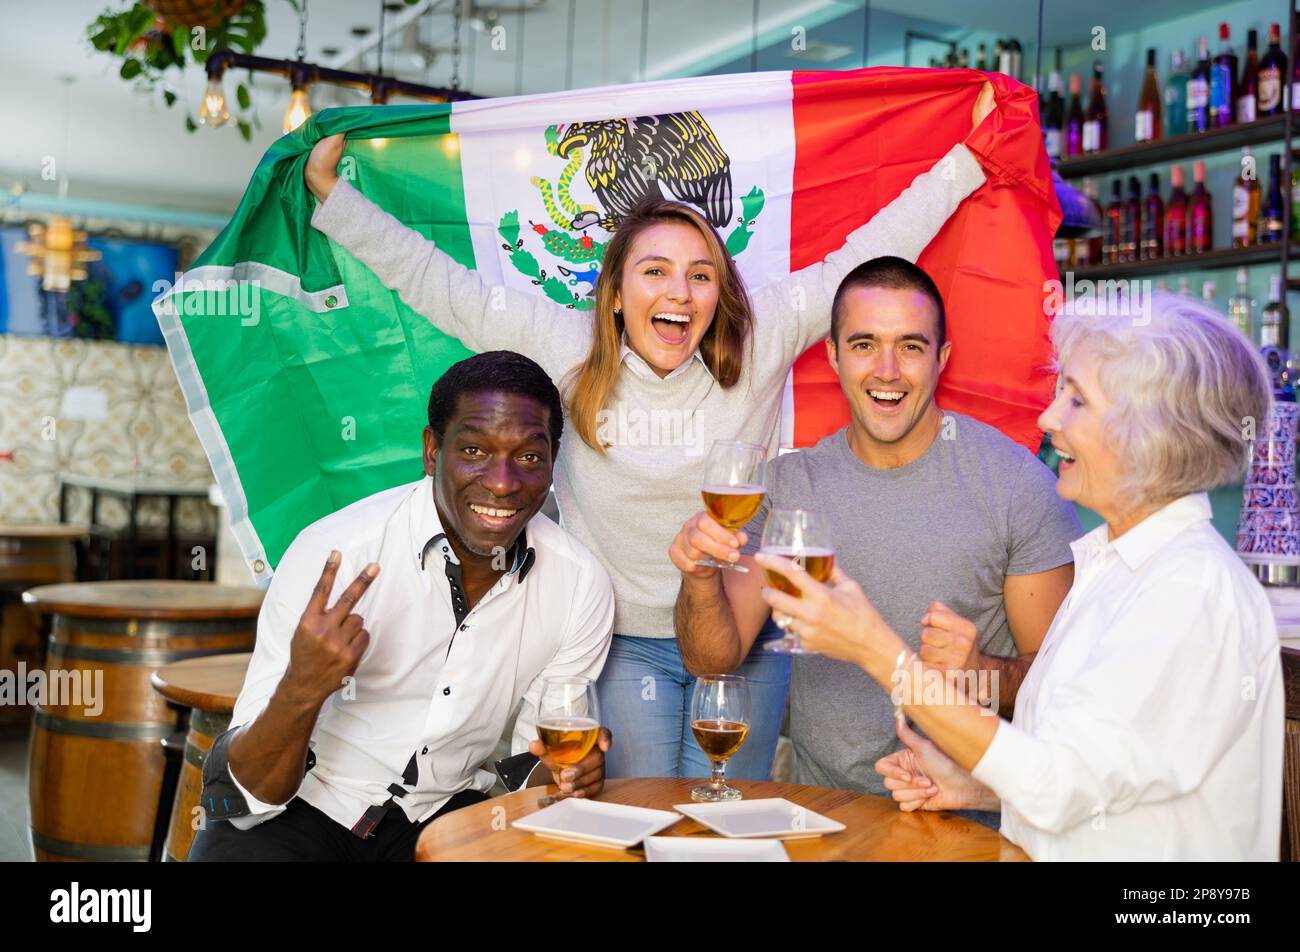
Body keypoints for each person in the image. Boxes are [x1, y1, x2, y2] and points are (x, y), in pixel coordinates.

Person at [300, 85, 1000, 781]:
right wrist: (334, 198)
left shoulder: (760, 340)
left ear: (719, 293)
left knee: (717, 827)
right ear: (615, 292)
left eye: (701, 276)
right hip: (621, 643)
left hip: (740, 639)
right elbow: (439, 285)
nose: (679, 292)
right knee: (634, 819)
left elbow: (864, 256)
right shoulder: (565, 345)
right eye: (655, 271)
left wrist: (969, 160)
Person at [758, 292, 1284, 860]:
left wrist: (875, 650)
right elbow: (1097, 783)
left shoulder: (1188, 589)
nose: (1048, 418)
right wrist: (974, 788)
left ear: (1152, 430)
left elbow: (1058, 789)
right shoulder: (1114, 567)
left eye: (1077, 401)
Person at [670, 256, 1080, 814]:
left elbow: (1063, 697)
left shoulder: (1019, 487)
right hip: (823, 818)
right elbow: (712, 658)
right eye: (864, 344)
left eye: (911, 346)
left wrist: (983, 672)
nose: (887, 370)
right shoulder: (788, 484)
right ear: (835, 356)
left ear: (942, 359)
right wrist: (698, 579)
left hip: (965, 826)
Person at [188, 351, 615, 862]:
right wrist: (302, 690)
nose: (502, 483)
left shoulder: (579, 583)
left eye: (528, 456)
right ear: (433, 451)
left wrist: (569, 773)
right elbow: (250, 791)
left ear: (552, 461)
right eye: (475, 450)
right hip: (303, 808)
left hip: (446, 819)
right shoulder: (336, 555)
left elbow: (529, 770)